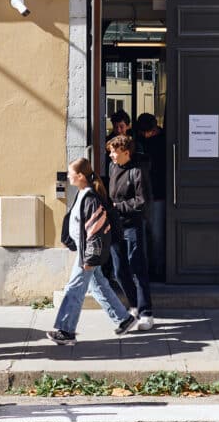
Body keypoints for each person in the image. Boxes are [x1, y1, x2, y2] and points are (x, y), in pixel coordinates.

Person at [46, 157, 139, 344]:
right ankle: (124, 318)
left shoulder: (90, 198)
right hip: (85, 251)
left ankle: (66, 331)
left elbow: (96, 231)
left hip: (87, 254)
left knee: (74, 289)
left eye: (71, 173)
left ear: (80, 175)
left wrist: (90, 259)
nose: (69, 176)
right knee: (98, 286)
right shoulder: (83, 193)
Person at [105, 134, 155, 329]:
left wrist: (119, 207)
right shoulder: (112, 167)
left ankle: (146, 313)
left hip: (132, 224)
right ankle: (134, 305)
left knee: (138, 268)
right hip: (116, 225)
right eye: (110, 151)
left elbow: (143, 201)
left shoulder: (138, 171)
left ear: (126, 152)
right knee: (118, 271)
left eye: (114, 152)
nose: (111, 155)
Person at [134, 113, 169, 283]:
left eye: (149, 132)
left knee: (156, 235)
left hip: (158, 195)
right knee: (143, 234)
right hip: (142, 194)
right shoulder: (139, 140)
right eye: (144, 132)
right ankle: (144, 268)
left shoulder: (165, 141)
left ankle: (159, 269)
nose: (147, 135)